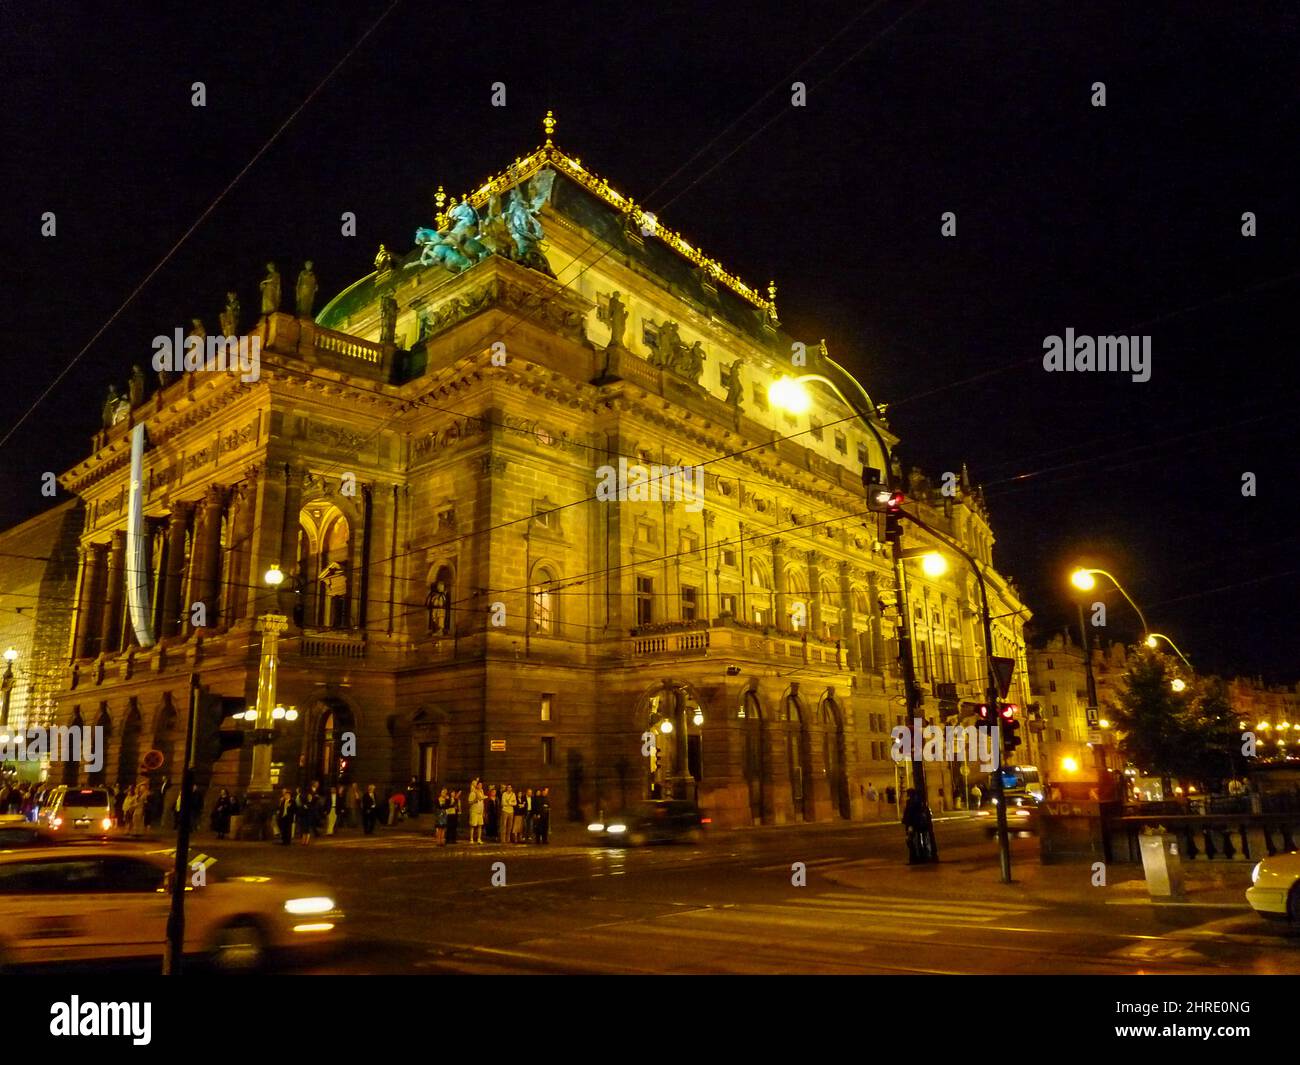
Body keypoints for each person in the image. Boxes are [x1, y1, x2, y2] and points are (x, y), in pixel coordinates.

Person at [902, 788, 933, 864]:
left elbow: (909, 814)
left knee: (912, 841)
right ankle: (922, 856)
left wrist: (907, 822)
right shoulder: (920, 802)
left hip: (913, 824)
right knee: (919, 840)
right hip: (919, 824)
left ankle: (915, 858)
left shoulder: (911, 802)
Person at [468, 778, 485, 844]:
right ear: (477, 785)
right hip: (474, 811)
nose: (481, 786)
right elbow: (469, 802)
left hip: (480, 811)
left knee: (480, 825)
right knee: (473, 825)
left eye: (481, 785)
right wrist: (474, 800)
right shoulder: (473, 793)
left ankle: (479, 838)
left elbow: (482, 802)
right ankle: (471, 839)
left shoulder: (481, 792)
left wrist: (483, 811)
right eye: (479, 785)